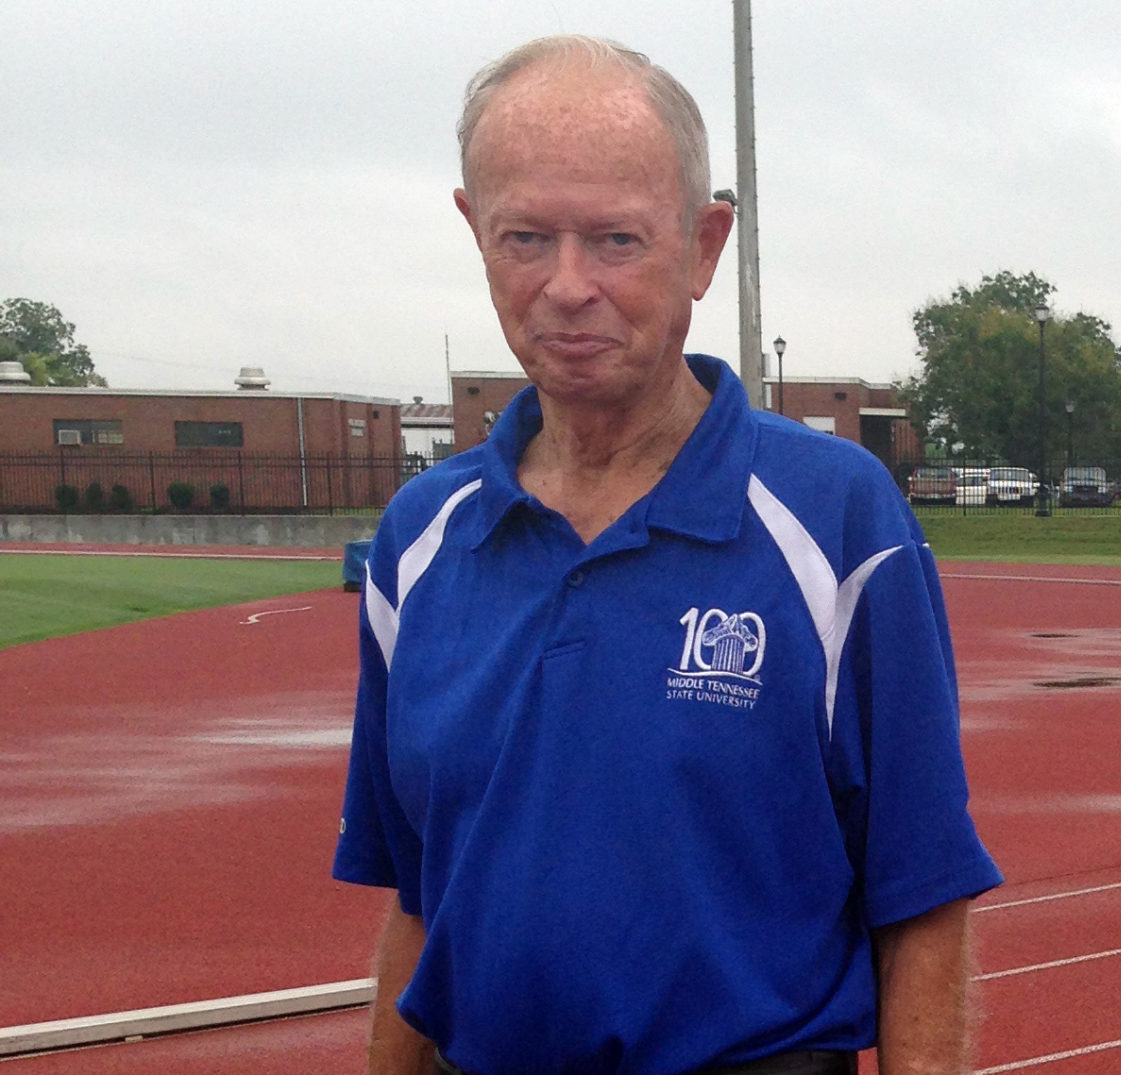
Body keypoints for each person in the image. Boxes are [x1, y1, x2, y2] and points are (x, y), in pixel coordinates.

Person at [333, 35, 1001, 1075]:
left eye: (615, 239)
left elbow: (918, 891)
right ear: (473, 231)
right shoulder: (418, 541)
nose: (566, 286)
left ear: (702, 244)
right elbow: (424, 898)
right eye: (523, 237)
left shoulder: (836, 521)